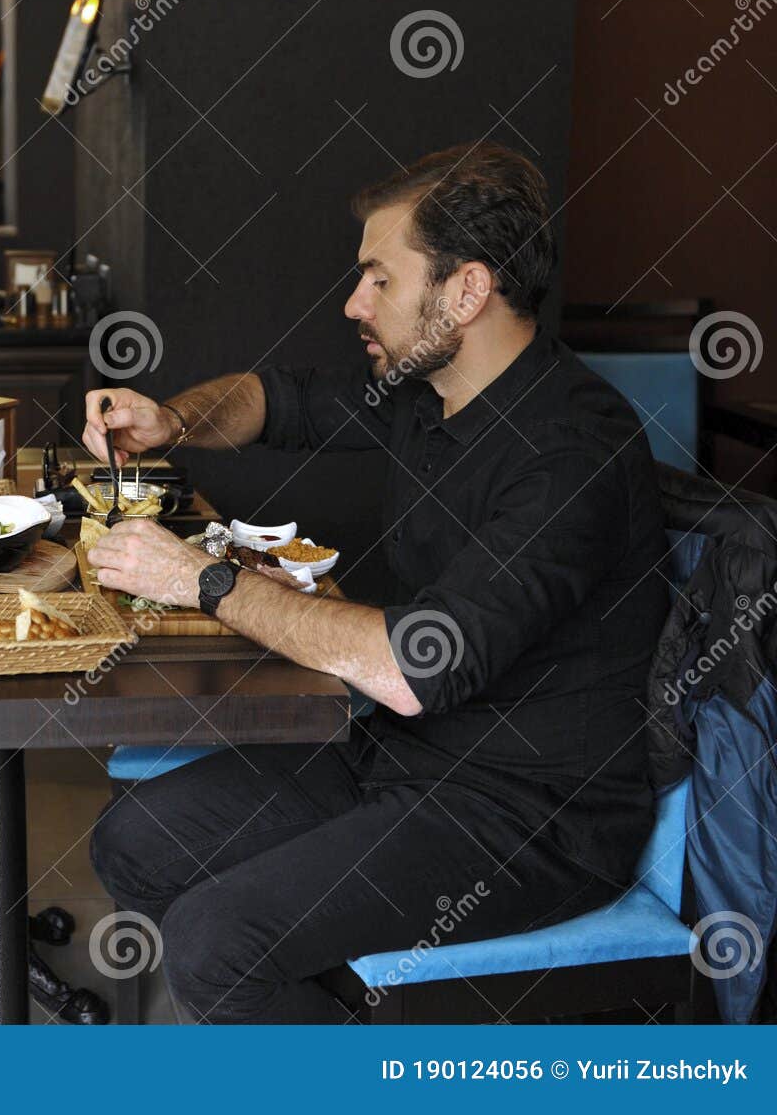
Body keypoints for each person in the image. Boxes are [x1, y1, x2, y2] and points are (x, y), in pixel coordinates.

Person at [83, 142, 669, 1023]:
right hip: (407, 758)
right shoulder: (419, 392)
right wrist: (173, 419)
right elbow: (273, 401)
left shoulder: (570, 449)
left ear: (467, 290)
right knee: (135, 841)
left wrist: (204, 582)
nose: (355, 303)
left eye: (379, 280)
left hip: (532, 818)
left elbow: (415, 668)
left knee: (214, 942)